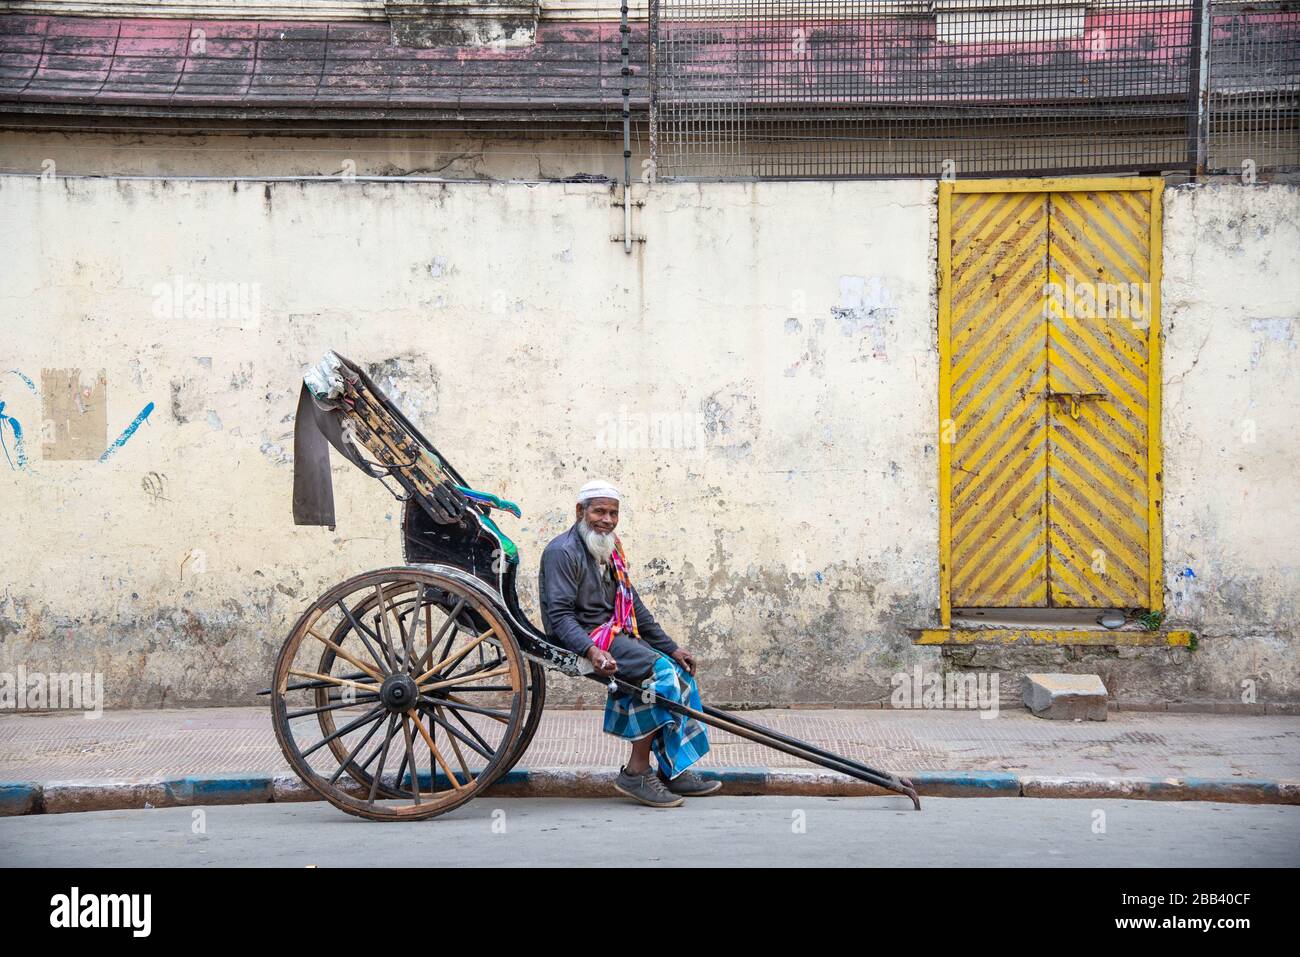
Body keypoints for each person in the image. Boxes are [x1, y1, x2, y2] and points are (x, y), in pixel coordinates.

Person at [538, 480, 721, 807]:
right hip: (582, 635)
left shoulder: (609, 547)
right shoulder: (561, 552)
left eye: (613, 513)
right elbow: (560, 615)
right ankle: (636, 772)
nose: (607, 519)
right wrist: (592, 651)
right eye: (599, 511)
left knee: (677, 668)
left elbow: (632, 604)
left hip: (612, 632)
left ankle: (672, 769)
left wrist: (671, 646)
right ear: (580, 511)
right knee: (661, 676)